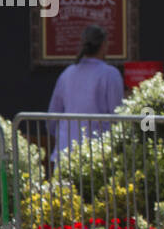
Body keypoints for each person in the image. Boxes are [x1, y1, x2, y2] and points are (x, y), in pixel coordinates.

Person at [48, 24, 124, 162]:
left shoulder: (67, 74)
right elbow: (118, 116)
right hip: (98, 155)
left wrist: (61, 138)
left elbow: (52, 118)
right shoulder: (110, 74)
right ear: (104, 45)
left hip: (65, 154)